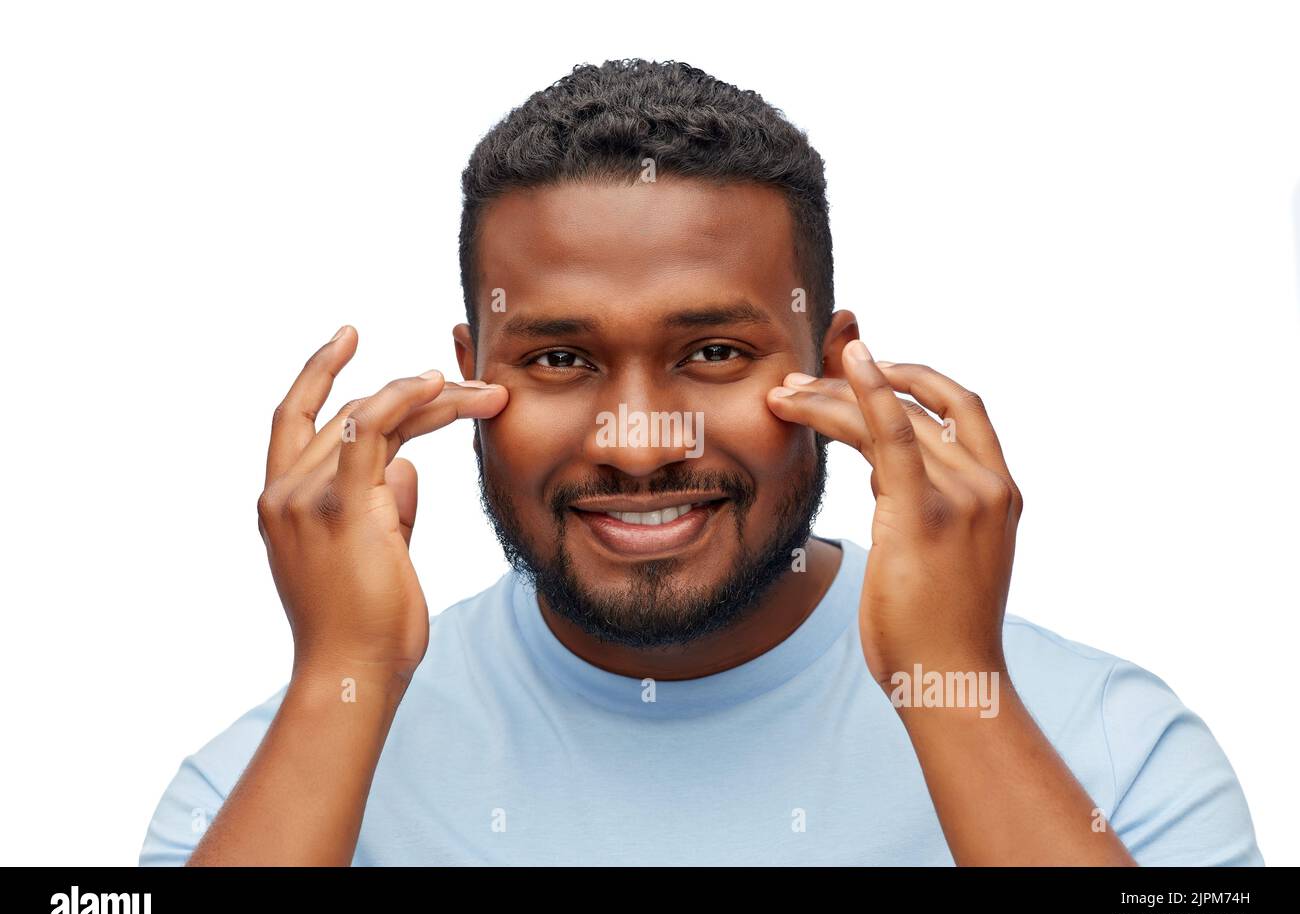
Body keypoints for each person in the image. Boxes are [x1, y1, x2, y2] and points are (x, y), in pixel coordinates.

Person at [139, 59, 1262, 866]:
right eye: (562, 356)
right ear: (468, 374)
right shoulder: (271, 779)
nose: (638, 440)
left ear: (836, 368)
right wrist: (343, 674)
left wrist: (953, 690)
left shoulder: (1106, 747)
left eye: (713, 351)